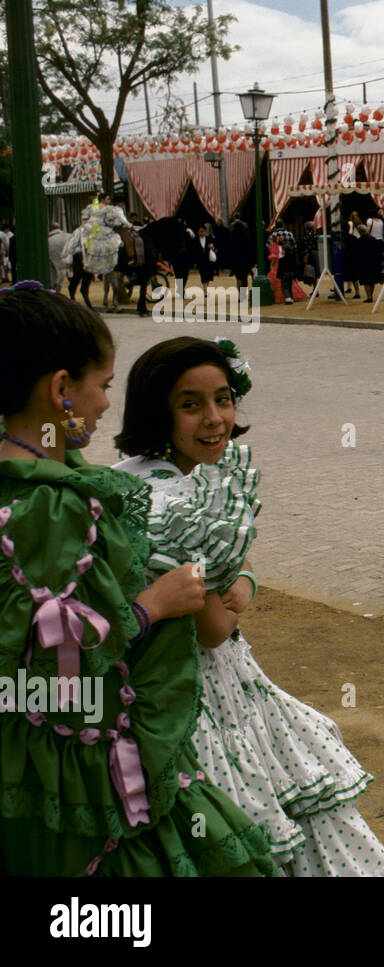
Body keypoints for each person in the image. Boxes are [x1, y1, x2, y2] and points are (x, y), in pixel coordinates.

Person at [0, 283, 276, 877]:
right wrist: (154, 604)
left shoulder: (52, 477)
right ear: (60, 390)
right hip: (95, 759)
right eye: (100, 386)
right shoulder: (53, 505)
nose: (104, 404)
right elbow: (57, 660)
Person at [112, 336, 384, 876]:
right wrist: (242, 587)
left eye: (223, 399)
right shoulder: (179, 500)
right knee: (261, 825)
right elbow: (214, 629)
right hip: (205, 696)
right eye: (191, 404)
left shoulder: (130, 474)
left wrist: (239, 574)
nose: (216, 418)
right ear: (158, 410)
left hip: (154, 689)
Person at [267, 219, 297, 304]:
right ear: (283, 225)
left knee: (281, 281)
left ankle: (285, 297)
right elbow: (295, 246)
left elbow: (269, 247)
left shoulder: (273, 235)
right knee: (290, 283)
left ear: (276, 226)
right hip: (289, 260)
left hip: (277, 260)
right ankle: (290, 297)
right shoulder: (290, 234)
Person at [47, 221, 71, 291]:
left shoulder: (49, 238)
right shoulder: (67, 236)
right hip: (63, 254)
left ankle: (54, 286)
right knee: (61, 270)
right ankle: (57, 285)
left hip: (52, 252)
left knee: (53, 270)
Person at [195, 224, 217, 297]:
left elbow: (214, 248)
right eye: (200, 231)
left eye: (202, 231)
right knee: (203, 275)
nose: (201, 233)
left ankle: (206, 287)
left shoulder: (209, 238)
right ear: (198, 232)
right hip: (200, 260)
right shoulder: (196, 240)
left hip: (208, 260)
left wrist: (212, 247)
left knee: (208, 276)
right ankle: (205, 290)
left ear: (205, 231)